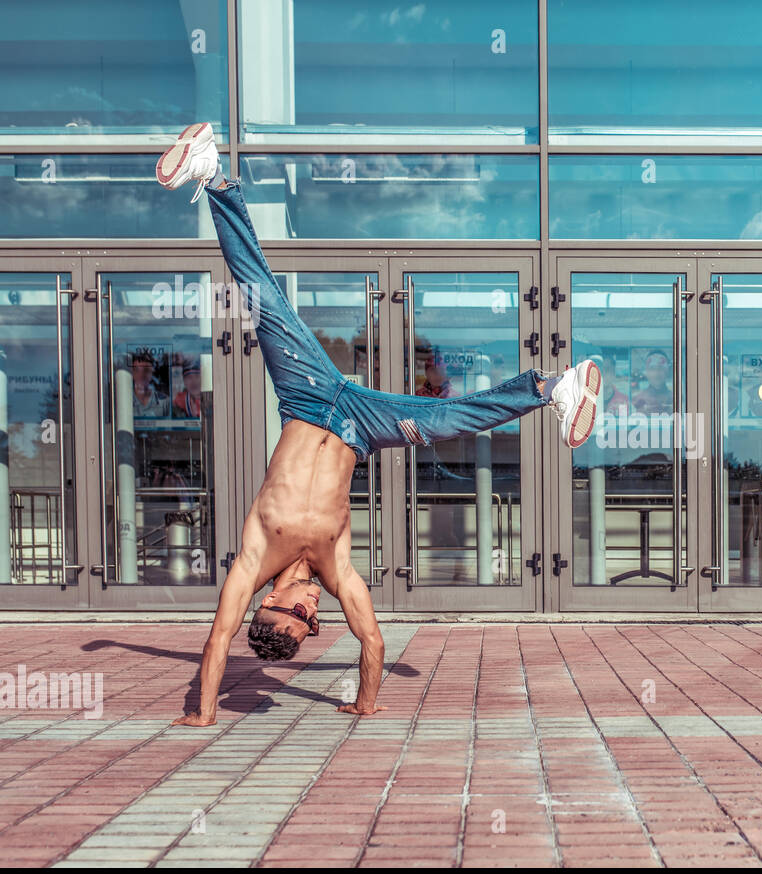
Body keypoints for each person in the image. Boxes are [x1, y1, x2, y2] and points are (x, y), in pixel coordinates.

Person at [157, 123, 601, 727]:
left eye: (301, 612)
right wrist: (364, 702)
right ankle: (551, 387)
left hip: (306, 398)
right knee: (446, 419)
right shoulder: (335, 566)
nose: (316, 609)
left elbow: (216, 642)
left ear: (269, 603)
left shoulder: (252, 559)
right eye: (316, 620)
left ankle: (212, 175)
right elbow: (373, 642)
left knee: (261, 300)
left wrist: (205, 712)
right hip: (361, 427)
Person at [130, 350, 171, 418]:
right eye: (137, 370)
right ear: (132, 373)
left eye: (146, 370)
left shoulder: (165, 402)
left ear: (152, 373)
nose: (141, 375)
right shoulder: (125, 400)